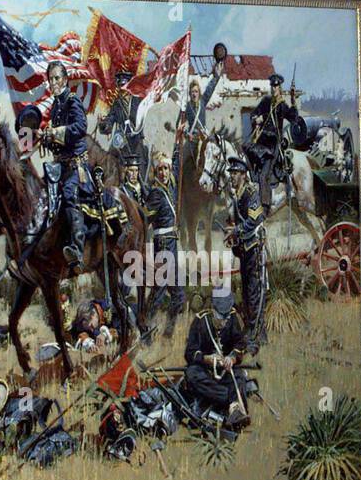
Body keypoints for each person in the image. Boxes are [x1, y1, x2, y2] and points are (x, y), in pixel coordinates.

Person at [38, 61, 94, 273]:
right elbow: (56, 140)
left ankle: (77, 251)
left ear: (65, 79)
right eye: (51, 79)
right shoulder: (55, 107)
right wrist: (46, 138)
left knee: (69, 194)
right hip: (59, 166)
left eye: (57, 78)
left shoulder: (72, 101)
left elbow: (80, 127)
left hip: (75, 166)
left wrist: (55, 132)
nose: (54, 83)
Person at [180, 288, 250, 429]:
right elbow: (190, 353)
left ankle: (233, 411)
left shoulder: (232, 317)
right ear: (212, 309)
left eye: (226, 317)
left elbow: (240, 344)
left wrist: (232, 358)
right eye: (220, 316)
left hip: (225, 370)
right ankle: (231, 403)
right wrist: (206, 359)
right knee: (192, 375)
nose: (224, 321)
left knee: (239, 377)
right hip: (204, 370)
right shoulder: (200, 321)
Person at [224, 156, 266, 353]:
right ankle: (255, 332)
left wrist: (236, 231)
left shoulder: (251, 193)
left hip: (254, 249)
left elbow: (254, 221)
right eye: (230, 174)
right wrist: (230, 232)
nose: (231, 177)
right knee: (248, 293)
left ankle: (256, 335)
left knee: (254, 292)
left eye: (234, 174)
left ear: (243, 175)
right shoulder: (236, 195)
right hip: (243, 250)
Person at [142, 149, 186, 337]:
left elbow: (176, 163)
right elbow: (145, 219)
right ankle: (145, 330)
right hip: (162, 245)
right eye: (160, 170)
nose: (164, 173)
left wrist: (177, 141)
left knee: (179, 295)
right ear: (155, 172)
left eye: (166, 169)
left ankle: (168, 333)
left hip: (172, 245)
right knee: (159, 291)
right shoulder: (156, 193)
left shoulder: (171, 187)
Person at [247, 72, 298, 205]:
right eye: (272, 86)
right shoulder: (266, 101)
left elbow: (294, 118)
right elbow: (253, 114)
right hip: (261, 143)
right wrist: (256, 119)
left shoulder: (282, 106)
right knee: (245, 151)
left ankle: (265, 206)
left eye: (276, 86)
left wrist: (293, 99)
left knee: (264, 176)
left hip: (274, 145)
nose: (274, 89)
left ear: (280, 88)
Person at [100, 69, 147, 180]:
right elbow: (110, 119)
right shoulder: (116, 103)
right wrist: (104, 123)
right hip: (122, 142)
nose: (121, 88)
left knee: (141, 166)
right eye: (120, 86)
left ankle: (143, 190)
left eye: (124, 85)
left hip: (136, 140)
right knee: (110, 161)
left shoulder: (138, 101)